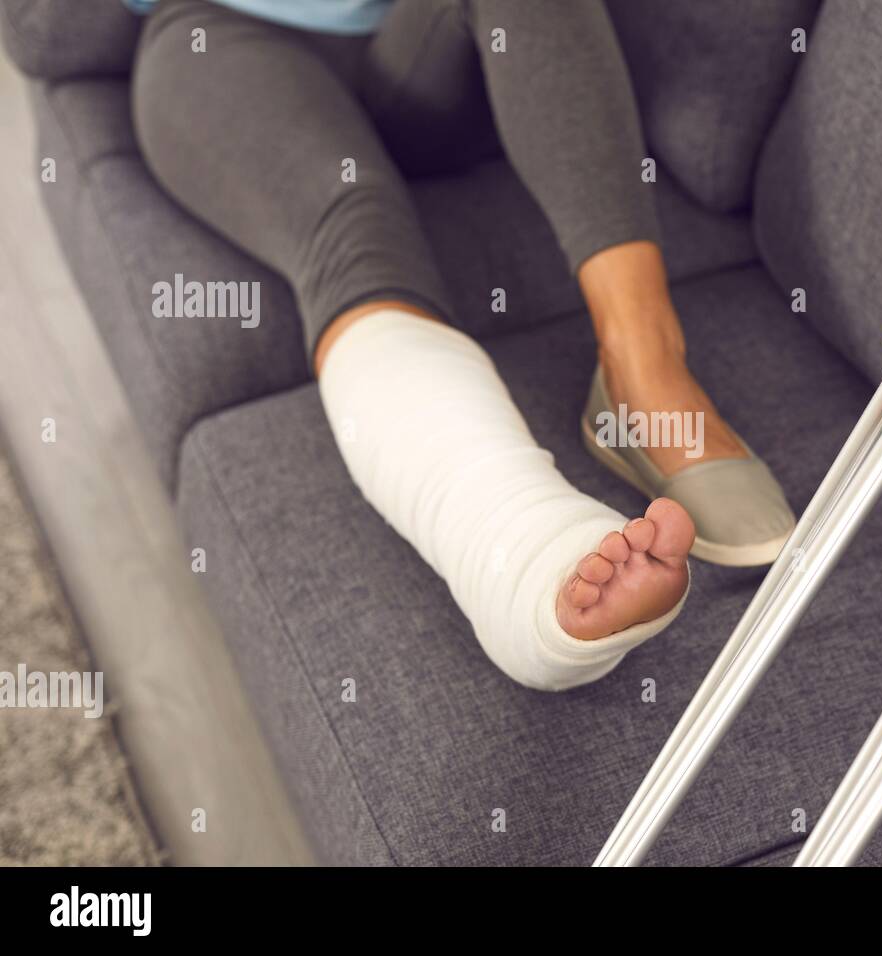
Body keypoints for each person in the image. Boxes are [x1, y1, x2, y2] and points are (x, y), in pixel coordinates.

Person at [127, 0, 795, 690]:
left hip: (424, 45)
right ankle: (524, 559)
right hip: (221, 41)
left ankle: (643, 364)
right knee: (351, 224)